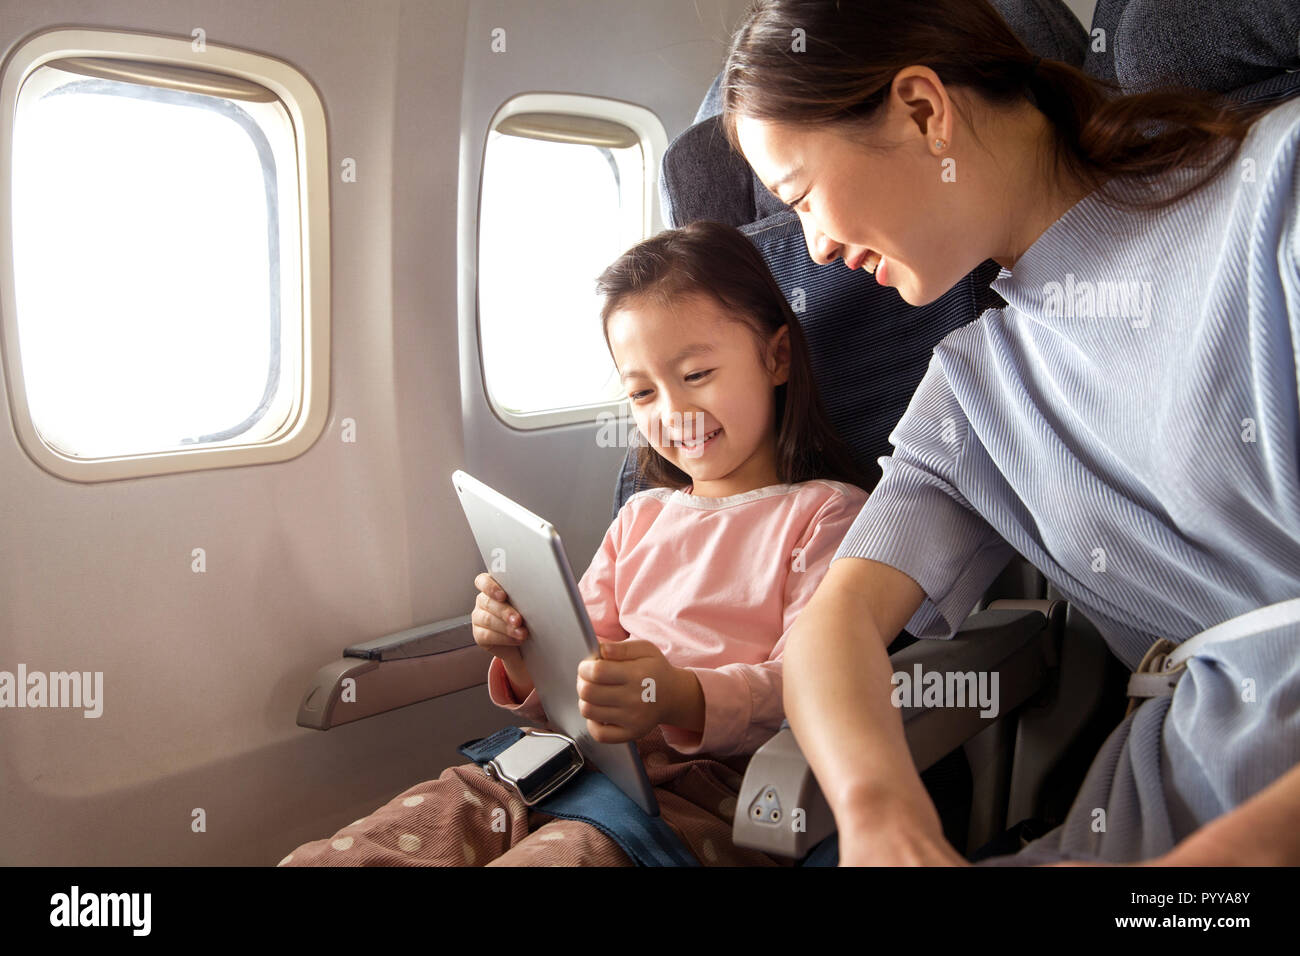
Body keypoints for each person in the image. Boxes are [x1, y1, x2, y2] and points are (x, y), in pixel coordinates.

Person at [719, 0, 1300, 866]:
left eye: (801, 196)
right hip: (1159, 807)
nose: (816, 249)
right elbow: (831, 632)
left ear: (923, 109)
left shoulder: (1274, 191)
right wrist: (883, 816)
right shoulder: (974, 390)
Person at [277, 220, 871, 866]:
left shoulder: (826, 516)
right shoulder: (642, 518)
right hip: (561, 766)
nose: (672, 413)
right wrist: (521, 645)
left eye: (697, 374)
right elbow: (576, 666)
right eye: (642, 392)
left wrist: (676, 696)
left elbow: (806, 685)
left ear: (776, 357)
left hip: (702, 793)